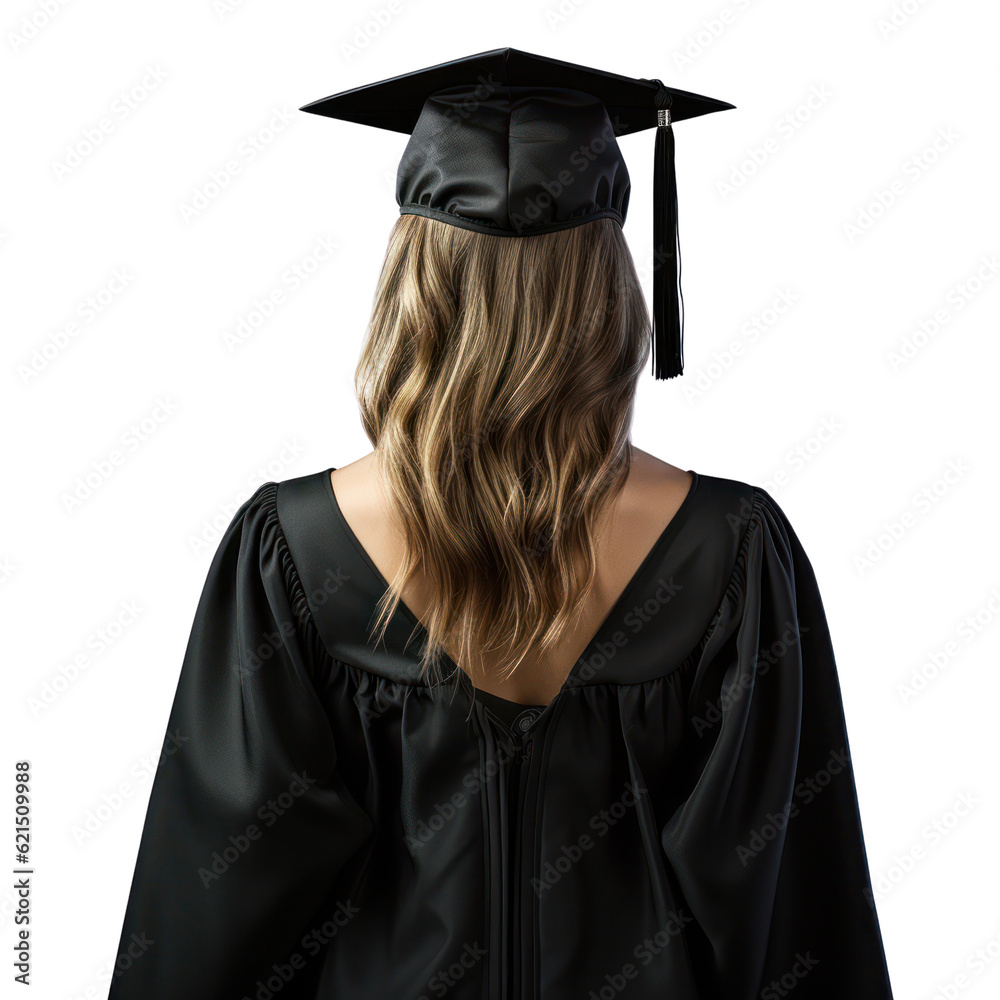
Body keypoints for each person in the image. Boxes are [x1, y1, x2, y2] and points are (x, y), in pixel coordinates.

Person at [107, 48, 894, 999]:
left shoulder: (297, 547)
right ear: (609, 286)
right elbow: (793, 917)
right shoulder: (731, 550)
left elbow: (210, 924)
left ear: (415, 283)